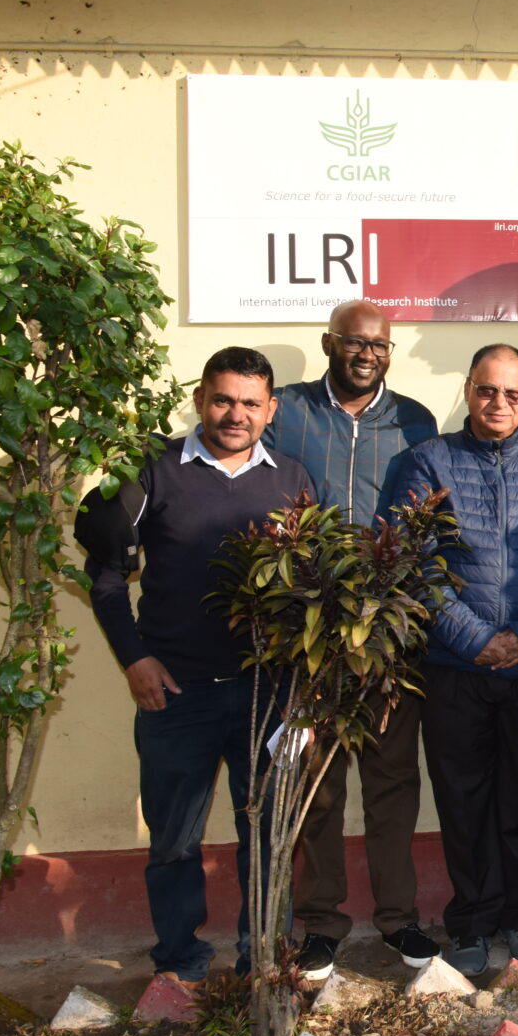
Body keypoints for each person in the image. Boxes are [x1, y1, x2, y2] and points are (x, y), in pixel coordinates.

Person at [84, 347, 312, 985]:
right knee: (174, 840)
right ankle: (180, 963)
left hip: (267, 693)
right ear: (199, 400)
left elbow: (310, 594)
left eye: (249, 403)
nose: (234, 414)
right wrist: (135, 660)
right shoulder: (150, 472)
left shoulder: (291, 480)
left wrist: (303, 695)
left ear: (270, 410)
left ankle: (259, 960)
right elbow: (106, 581)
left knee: (266, 835)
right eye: (222, 399)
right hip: (174, 694)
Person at [401, 344, 518, 977]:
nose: (499, 404)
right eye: (487, 390)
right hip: (455, 668)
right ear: (467, 389)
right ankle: (472, 919)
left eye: (513, 395)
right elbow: (412, 562)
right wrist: (473, 637)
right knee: (462, 796)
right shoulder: (426, 464)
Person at [266, 299, 439, 978]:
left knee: (394, 778)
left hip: (391, 632)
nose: (366, 353)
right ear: (329, 343)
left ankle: (399, 917)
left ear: (389, 352)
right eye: (354, 341)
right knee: (321, 781)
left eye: (379, 344)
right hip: (312, 633)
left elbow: (425, 523)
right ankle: (322, 924)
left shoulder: (416, 420)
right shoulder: (288, 411)